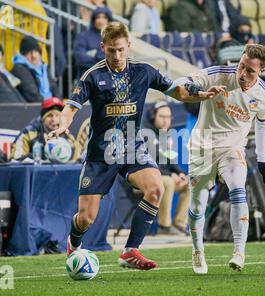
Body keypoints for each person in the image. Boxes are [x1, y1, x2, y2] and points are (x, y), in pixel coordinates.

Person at [48, 22, 221, 270]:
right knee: (86, 218)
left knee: (155, 188)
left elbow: (177, 91)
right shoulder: (92, 76)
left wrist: (201, 94)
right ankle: (74, 244)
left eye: (120, 49)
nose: (116, 56)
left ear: (128, 45)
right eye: (110, 51)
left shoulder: (144, 71)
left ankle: (130, 251)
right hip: (101, 153)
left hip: (132, 147)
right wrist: (64, 124)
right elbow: (71, 107)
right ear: (102, 48)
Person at [176, 44, 265, 273]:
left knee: (238, 188)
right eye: (241, 66)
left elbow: (263, 123)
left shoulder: (264, 95)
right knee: (198, 205)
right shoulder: (218, 74)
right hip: (202, 147)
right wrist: (191, 87)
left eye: (250, 70)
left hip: (232, 148)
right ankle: (197, 249)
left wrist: (262, 159)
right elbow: (184, 80)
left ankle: (239, 252)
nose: (242, 74)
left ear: (261, 71)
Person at [145, 101, 190, 235]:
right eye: (162, 117)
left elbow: (169, 161)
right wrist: (170, 175)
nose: (166, 121)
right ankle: (164, 226)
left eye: (168, 117)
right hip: (144, 180)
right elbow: (149, 164)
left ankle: (179, 223)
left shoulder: (164, 135)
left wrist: (180, 173)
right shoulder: (144, 134)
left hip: (162, 177)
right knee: (168, 182)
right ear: (153, 117)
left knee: (190, 183)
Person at [11, 97, 79, 162]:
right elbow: (16, 159)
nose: (54, 119)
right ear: (43, 118)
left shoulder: (66, 134)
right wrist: (40, 155)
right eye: (50, 116)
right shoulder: (28, 133)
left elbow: (77, 159)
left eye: (57, 115)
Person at [11, 36, 61, 102]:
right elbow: (32, 95)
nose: (33, 56)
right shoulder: (19, 69)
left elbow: (55, 89)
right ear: (22, 55)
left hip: (51, 107)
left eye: (36, 51)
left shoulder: (43, 67)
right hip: (36, 109)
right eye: (29, 52)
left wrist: (59, 104)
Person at [74, 7, 113, 77]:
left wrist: (94, 55)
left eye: (104, 17)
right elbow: (80, 59)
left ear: (108, 21)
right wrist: (103, 59)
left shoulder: (113, 38)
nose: (101, 20)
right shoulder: (83, 36)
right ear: (93, 20)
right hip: (87, 80)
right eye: (98, 17)